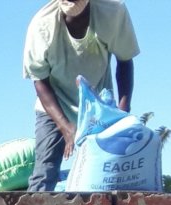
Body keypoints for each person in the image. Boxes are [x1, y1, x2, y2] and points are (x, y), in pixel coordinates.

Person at [23, 0, 140, 191]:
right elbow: (40, 82)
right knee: (45, 171)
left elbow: (125, 61)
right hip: (55, 105)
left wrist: (122, 112)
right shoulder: (41, 26)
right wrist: (65, 126)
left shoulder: (113, 12)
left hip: (99, 106)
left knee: (111, 169)